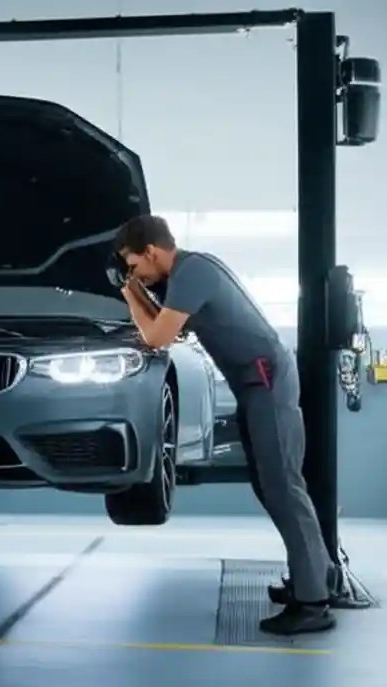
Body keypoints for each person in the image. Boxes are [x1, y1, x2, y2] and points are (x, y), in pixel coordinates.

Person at [113, 213, 337, 636]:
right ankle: (316, 577)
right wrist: (136, 291)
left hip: (267, 381)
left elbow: (157, 337)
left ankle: (314, 604)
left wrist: (129, 294)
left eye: (134, 264)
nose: (135, 272)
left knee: (283, 487)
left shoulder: (192, 272)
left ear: (152, 252)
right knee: (270, 486)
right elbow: (170, 329)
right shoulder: (186, 274)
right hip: (255, 383)